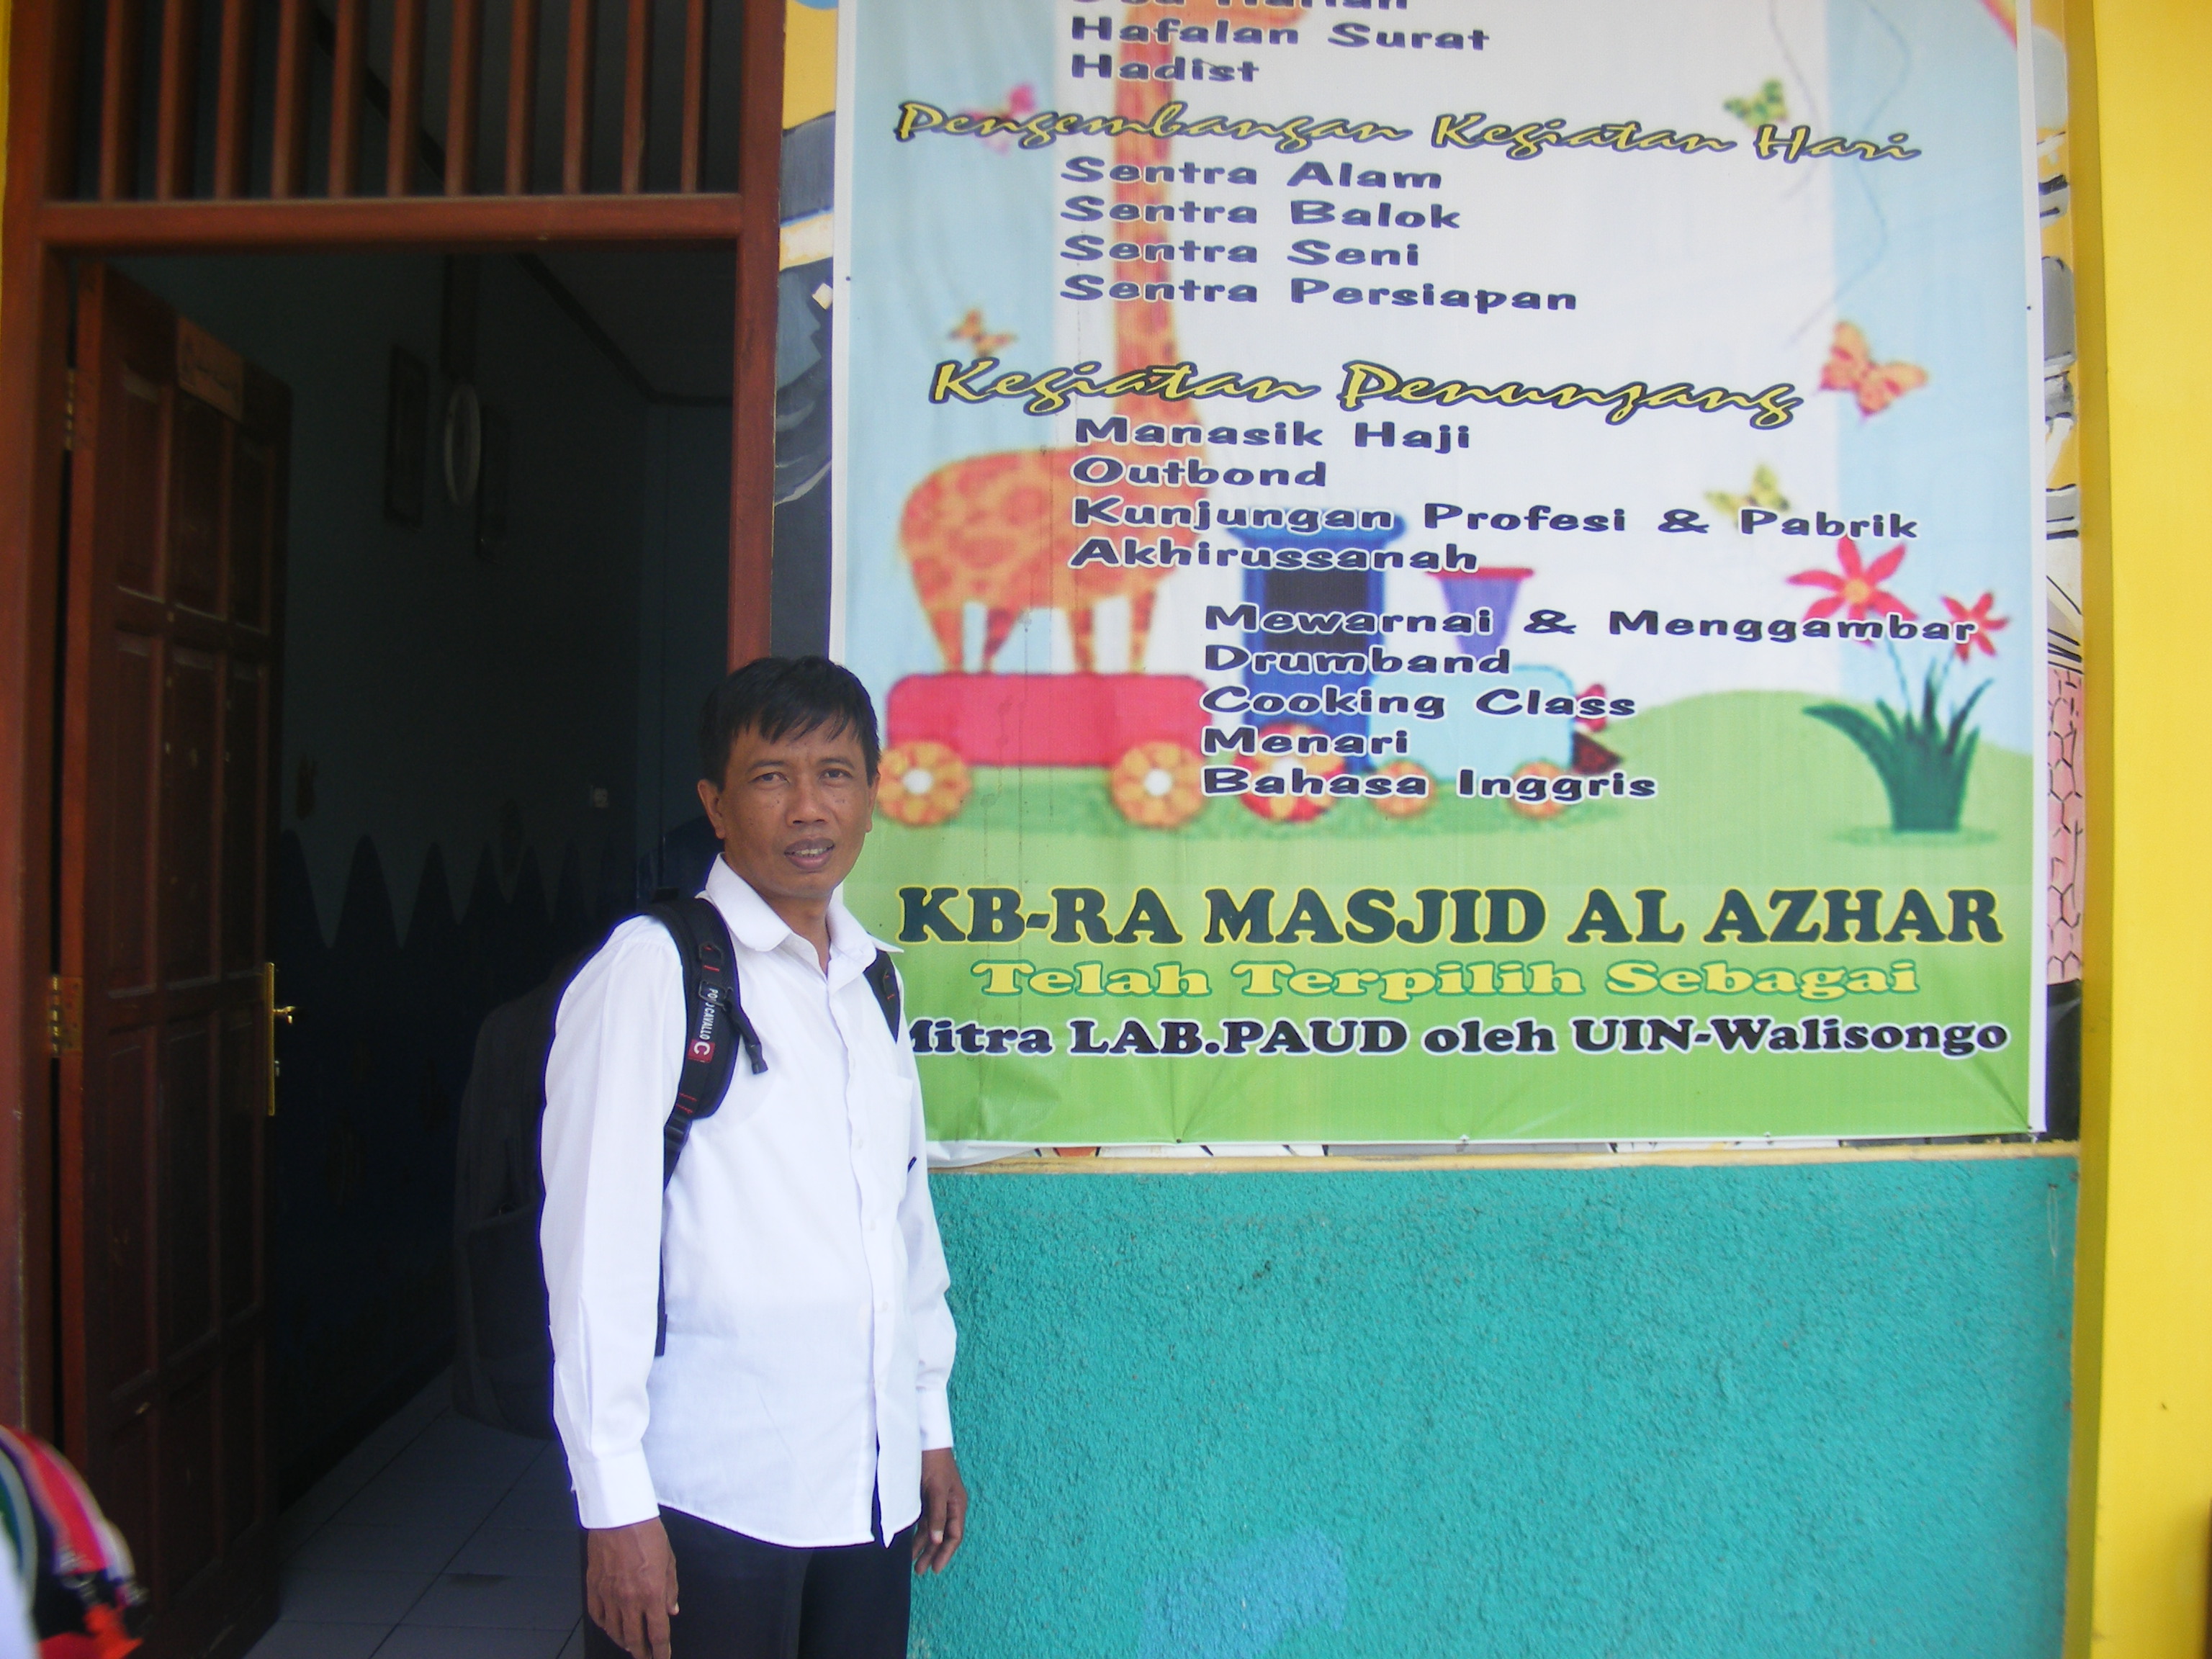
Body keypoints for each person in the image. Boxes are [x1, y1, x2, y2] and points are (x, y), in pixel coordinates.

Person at [541, 657, 966, 1659]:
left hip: (867, 1490)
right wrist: (612, 1504)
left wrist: (927, 1422)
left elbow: (903, 1229)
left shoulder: (874, 986)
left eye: (836, 774)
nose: (808, 809)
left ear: (873, 796)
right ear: (717, 806)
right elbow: (593, 1249)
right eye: (772, 777)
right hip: (710, 1495)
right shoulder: (658, 971)